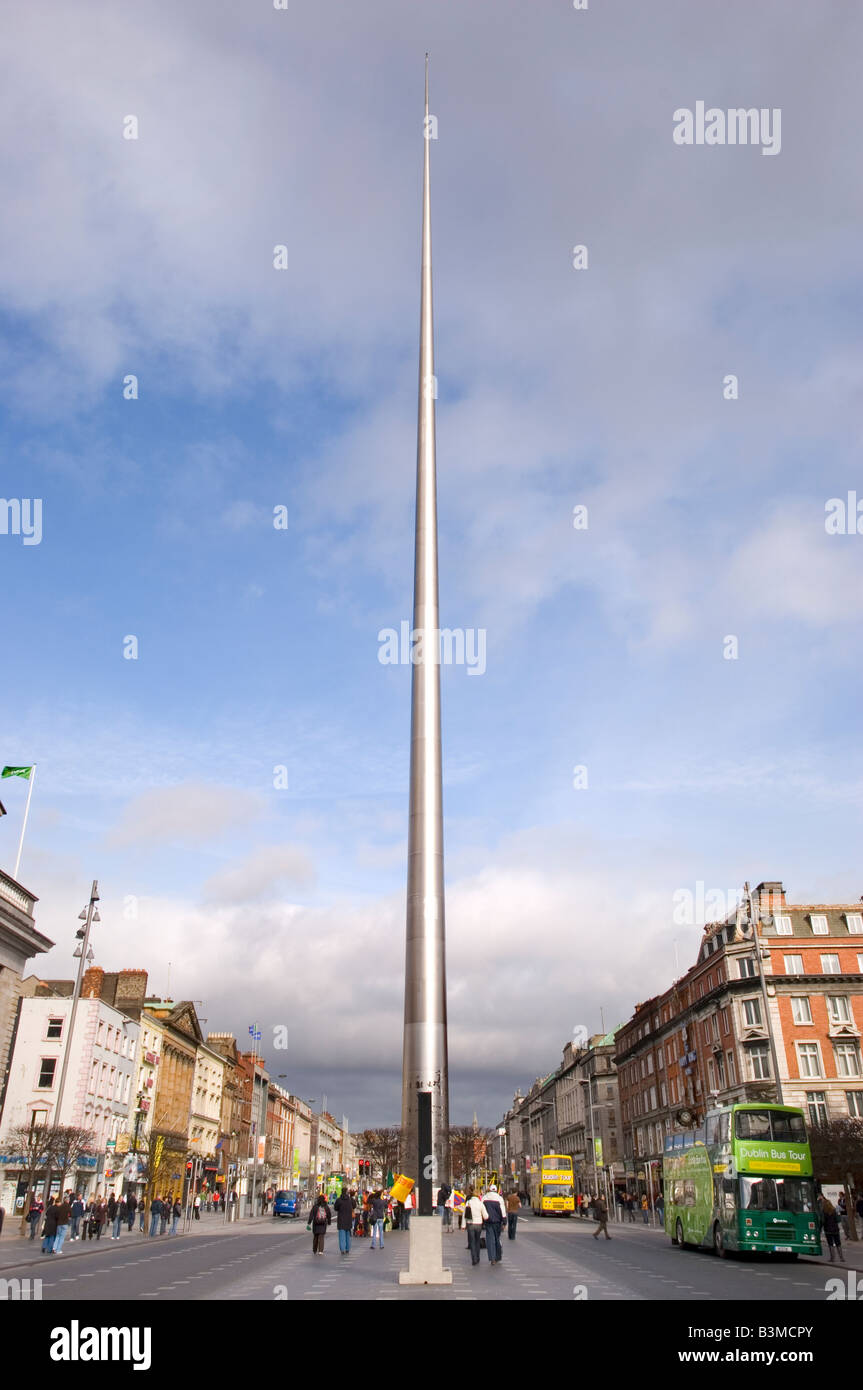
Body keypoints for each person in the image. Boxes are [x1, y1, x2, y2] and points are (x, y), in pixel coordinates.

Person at [482, 1185, 507, 1265]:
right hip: (497, 1222)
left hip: (488, 1221)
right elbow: (503, 1211)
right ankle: (498, 1256)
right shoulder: (499, 1198)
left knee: (490, 1240)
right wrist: (504, 1222)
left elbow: (482, 1209)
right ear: (496, 1190)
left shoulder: (484, 1198)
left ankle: (492, 1258)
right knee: (497, 1239)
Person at [464, 1188, 488, 1266]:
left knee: (472, 1241)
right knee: (477, 1241)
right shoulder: (481, 1203)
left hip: (470, 1223)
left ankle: (473, 1258)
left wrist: (463, 1225)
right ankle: (477, 1257)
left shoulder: (468, 1202)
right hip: (478, 1224)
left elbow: (465, 1214)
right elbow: (486, 1216)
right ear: (478, 1195)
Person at [819, 1197, 844, 1263]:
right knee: (838, 1243)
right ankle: (841, 1258)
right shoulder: (834, 1211)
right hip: (835, 1229)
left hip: (828, 1230)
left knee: (830, 1244)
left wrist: (820, 1228)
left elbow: (822, 1221)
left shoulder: (824, 1212)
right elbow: (838, 1220)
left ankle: (832, 1258)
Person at [334, 1188, 355, 1256]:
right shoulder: (350, 1200)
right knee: (347, 1235)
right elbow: (354, 1206)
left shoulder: (339, 1200)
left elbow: (335, 1208)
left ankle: (342, 1249)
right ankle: (347, 1249)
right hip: (348, 1219)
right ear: (346, 1192)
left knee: (341, 1235)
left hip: (341, 1219)